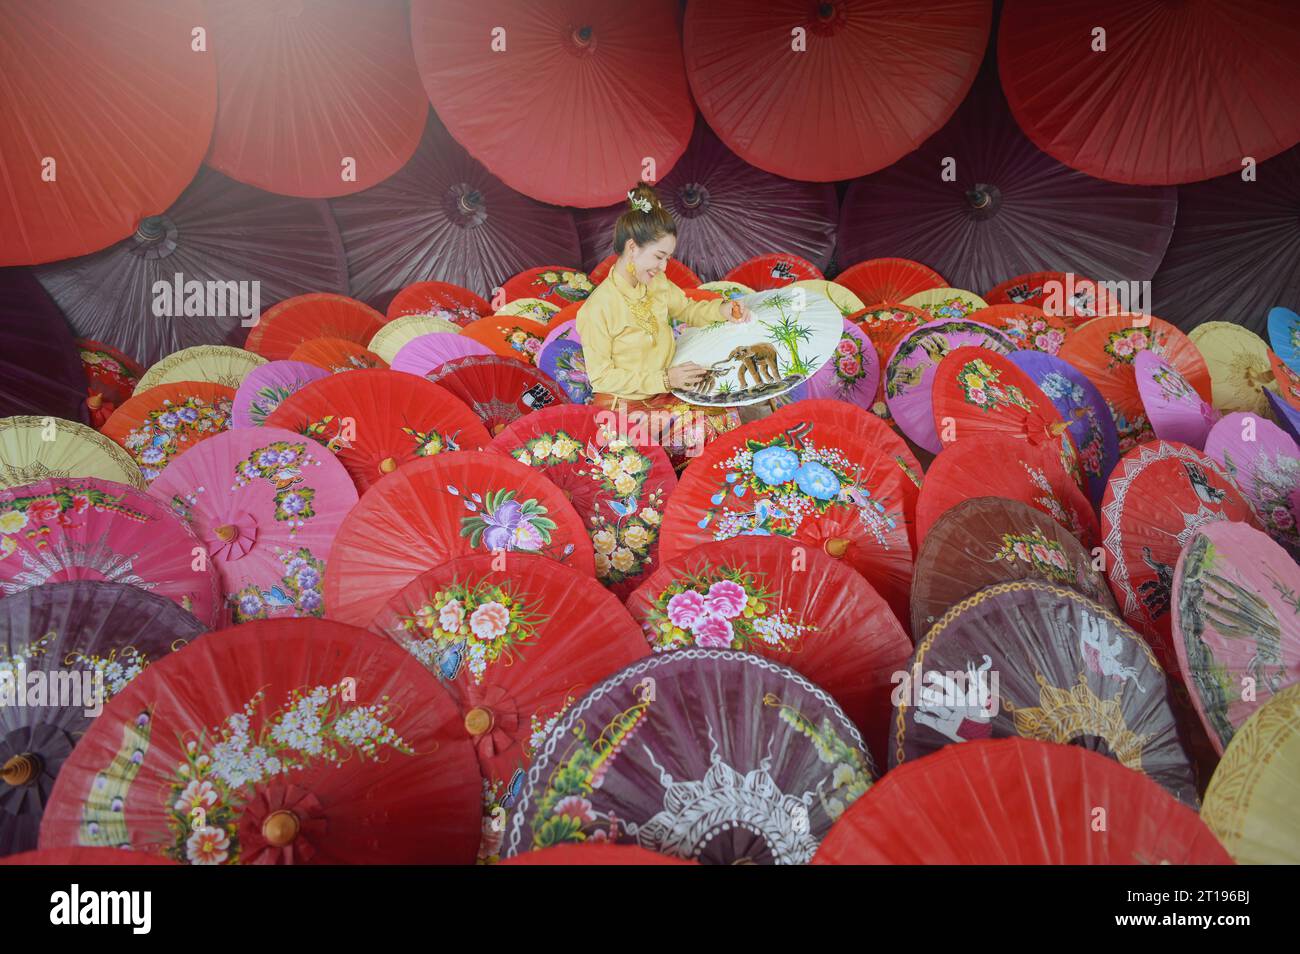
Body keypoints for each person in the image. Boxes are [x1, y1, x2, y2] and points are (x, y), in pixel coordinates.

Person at [577, 183, 755, 468]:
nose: (663, 267)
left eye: (667, 258)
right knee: (707, 428)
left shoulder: (656, 282)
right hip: (625, 406)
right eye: (659, 257)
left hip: (666, 391)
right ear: (632, 248)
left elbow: (686, 308)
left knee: (726, 406)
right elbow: (602, 379)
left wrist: (723, 309)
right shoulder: (598, 308)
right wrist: (665, 379)